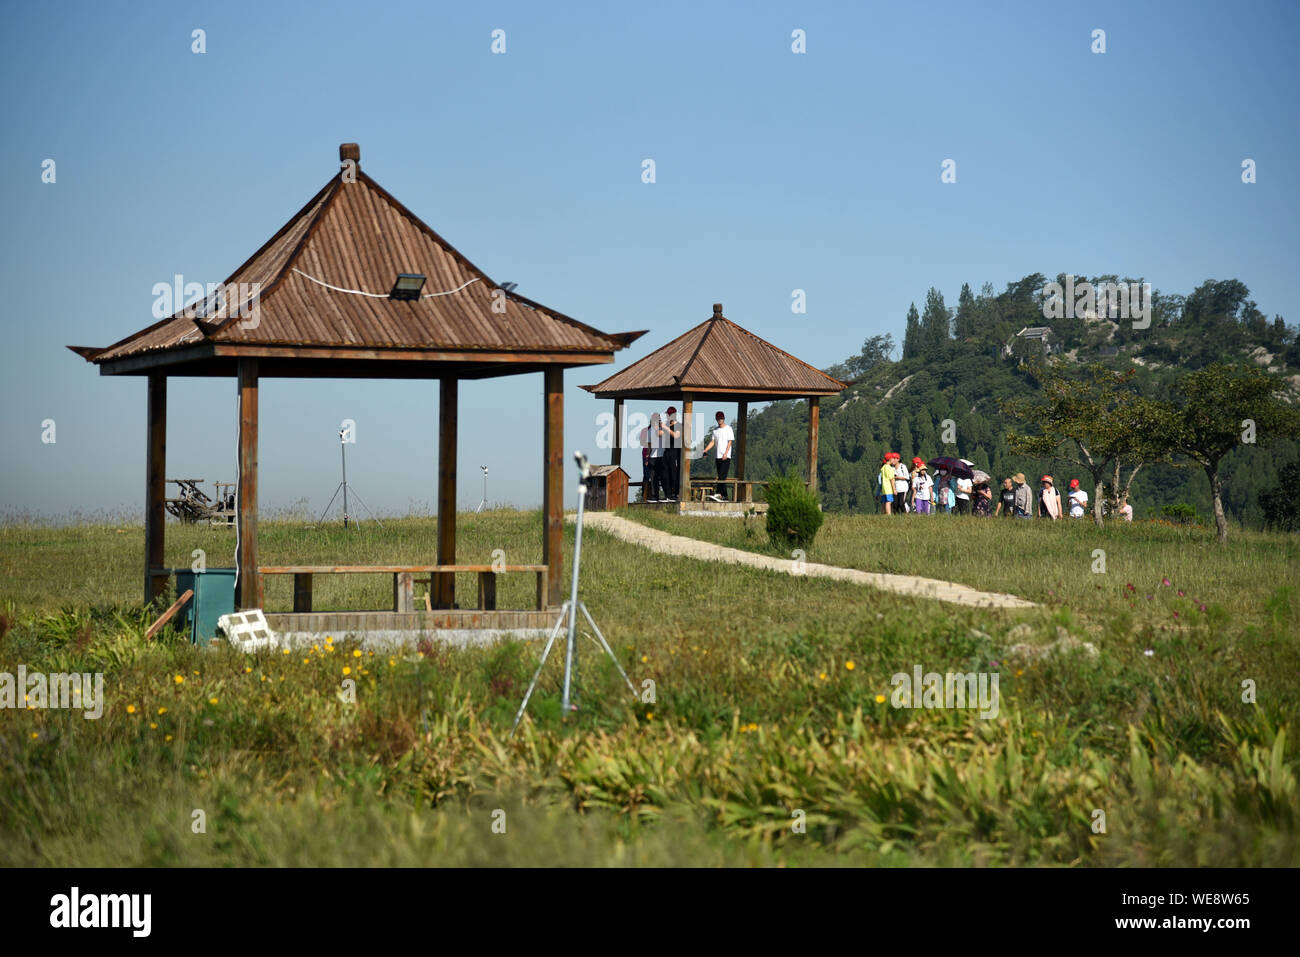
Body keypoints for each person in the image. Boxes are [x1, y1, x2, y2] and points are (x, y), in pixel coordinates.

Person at [700, 411, 734, 501]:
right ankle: (725, 496)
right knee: (721, 476)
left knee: (722, 476)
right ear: (716, 419)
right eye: (718, 418)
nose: (720, 420)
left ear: (724, 419)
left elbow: (730, 442)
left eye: (721, 418)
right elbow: (712, 442)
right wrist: (705, 450)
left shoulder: (728, 429)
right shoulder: (715, 430)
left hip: (726, 457)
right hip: (717, 456)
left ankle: (718, 493)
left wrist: (726, 453)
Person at [646, 412, 667, 502]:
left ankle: (667, 495)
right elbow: (649, 446)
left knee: (663, 477)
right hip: (652, 457)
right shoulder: (649, 431)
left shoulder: (663, 429)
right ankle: (655, 496)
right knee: (653, 478)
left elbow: (661, 434)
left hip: (662, 456)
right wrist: (647, 457)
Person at [662, 406, 681, 501]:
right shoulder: (666, 424)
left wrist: (666, 428)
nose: (667, 417)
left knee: (674, 474)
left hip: (675, 452)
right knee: (665, 474)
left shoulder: (679, 425)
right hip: (666, 452)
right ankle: (668, 495)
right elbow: (660, 434)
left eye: (668, 415)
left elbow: (677, 435)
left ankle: (675, 494)